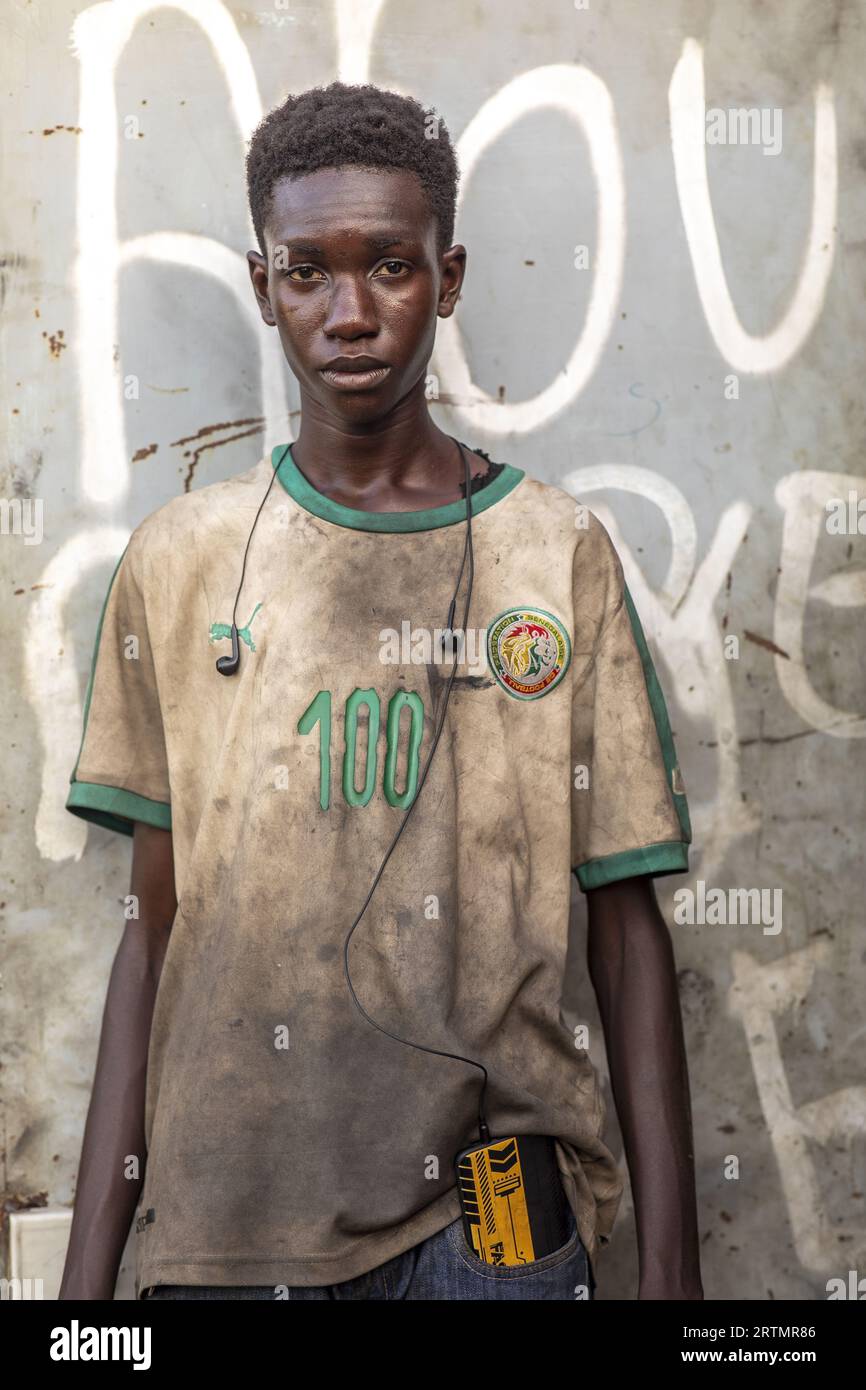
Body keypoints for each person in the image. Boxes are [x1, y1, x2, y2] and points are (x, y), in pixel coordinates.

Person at [58, 81, 703, 1302]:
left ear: (446, 278)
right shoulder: (184, 559)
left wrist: (672, 1280)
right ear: (264, 288)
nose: (348, 313)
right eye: (307, 272)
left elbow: (627, 930)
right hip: (232, 1229)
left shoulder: (550, 554)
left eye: (390, 269)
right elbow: (154, 932)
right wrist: (82, 1295)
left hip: (491, 1232)